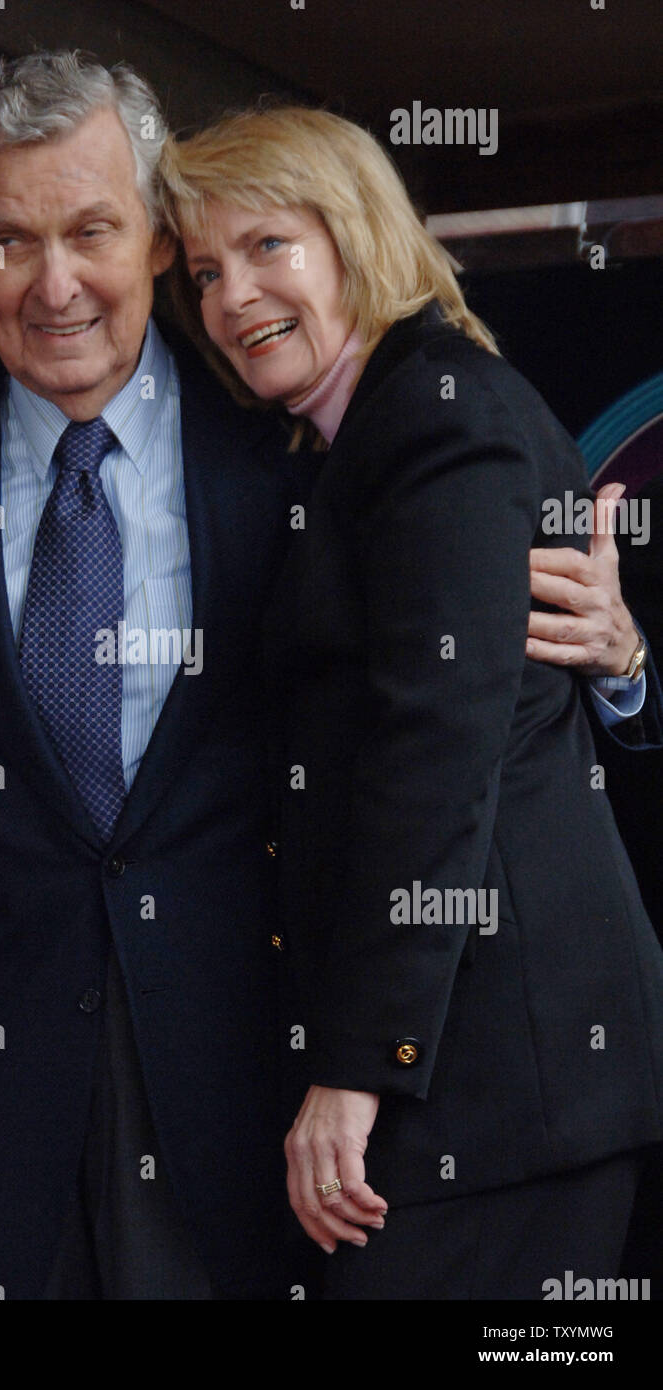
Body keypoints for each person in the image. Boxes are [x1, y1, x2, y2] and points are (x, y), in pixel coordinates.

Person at [0, 54, 654, 1301]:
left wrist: (621, 659)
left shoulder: (301, 444)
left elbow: (444, 722)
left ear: (147, 239)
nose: (55, 281)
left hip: (246, 1106)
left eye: (92, 229)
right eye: (6, 240)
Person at [159, 104, 663, 1299]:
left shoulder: (444, 421)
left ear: (352, 235)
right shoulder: (354, 443)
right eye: (205, 271)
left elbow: (434, 758)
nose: (232, 296)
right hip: (473, 1092)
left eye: (268, 247)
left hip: (507, 1088)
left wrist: (356, 1069)